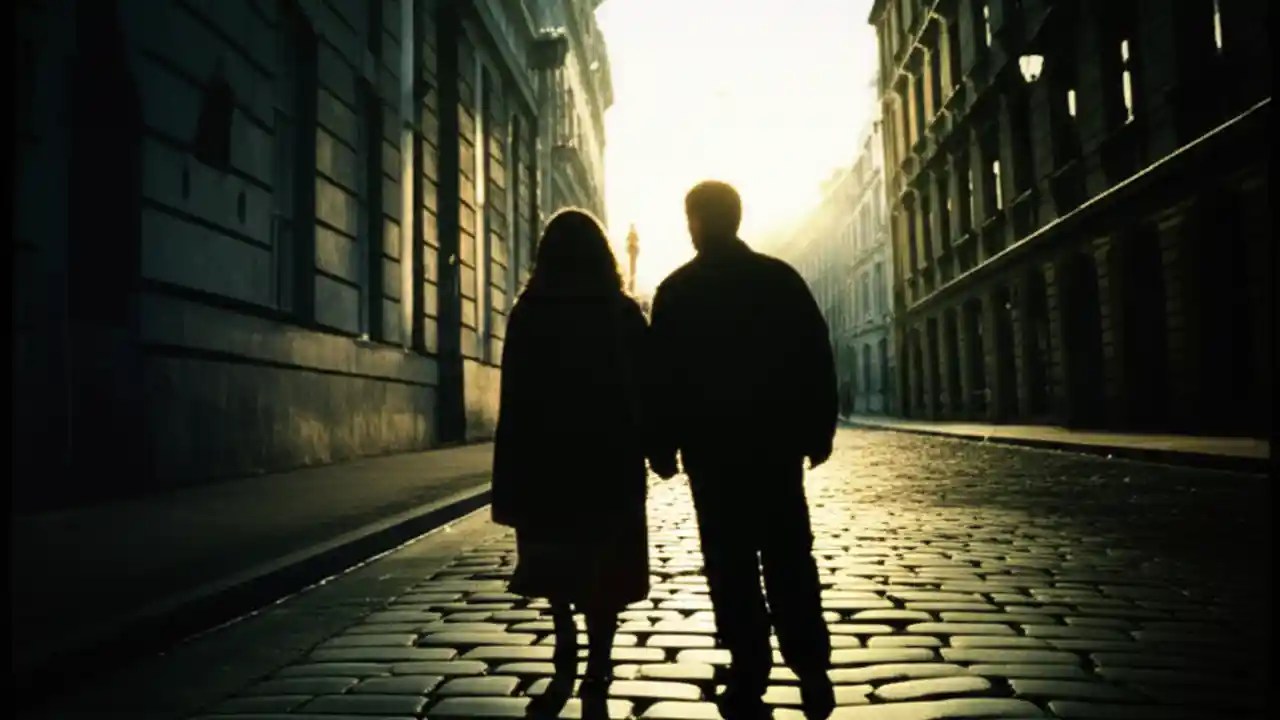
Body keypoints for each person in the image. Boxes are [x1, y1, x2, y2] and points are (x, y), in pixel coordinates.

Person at [647, 181, 838, 720]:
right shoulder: (779, 279)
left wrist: (661, 444)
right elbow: (814, 356)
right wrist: (818, 428)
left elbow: (659, 376)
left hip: (714, 455)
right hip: (774, 451)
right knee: (789, 560)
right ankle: (811, 667)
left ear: (699, 221)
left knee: (729, 568)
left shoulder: (677, 291)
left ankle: (749, 667)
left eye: (691, 218)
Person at [490, 209, 650, 706]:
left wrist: (510, 470)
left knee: (557, 555)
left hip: (547, 458)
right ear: (604, 256)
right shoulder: (620, 311)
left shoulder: (529, 310)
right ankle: (600, 657)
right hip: (608, 457)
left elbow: (513, 395)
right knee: (606, 560)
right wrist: (658, 445)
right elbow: (646, 385)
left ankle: (564, 641)